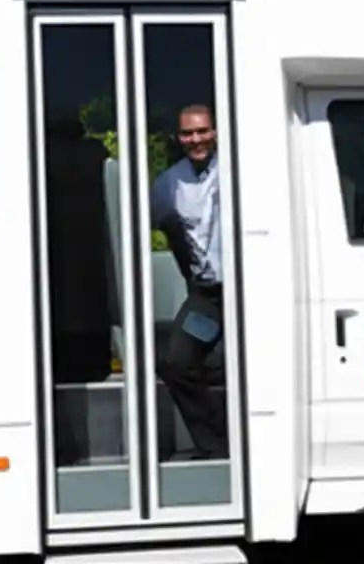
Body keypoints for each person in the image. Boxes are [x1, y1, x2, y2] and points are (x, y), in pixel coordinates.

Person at [151, 103, 227, 460]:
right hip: (208, 296)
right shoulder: (168, 183)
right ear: (179, 137)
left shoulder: (237, 167)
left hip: (251, 290)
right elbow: (151, 225)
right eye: (188, 133)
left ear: (216, 131)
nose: (196, 139)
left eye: (203, 131)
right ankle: (216, 446)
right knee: (177, 363)